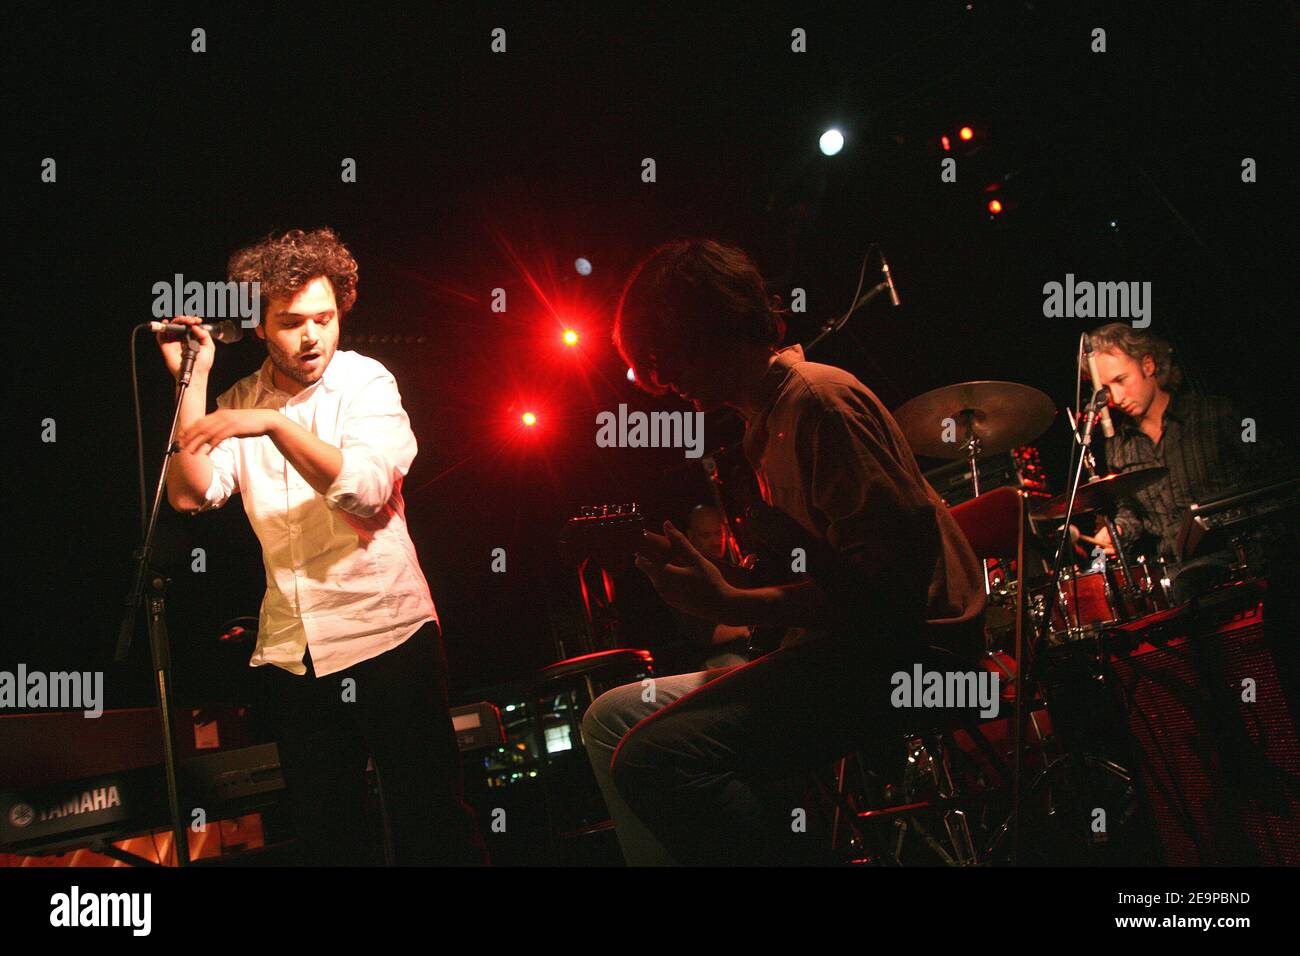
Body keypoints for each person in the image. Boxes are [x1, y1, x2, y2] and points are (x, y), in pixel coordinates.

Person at [581, 239, 985, 865]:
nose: (662, 386)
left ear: (706, 328)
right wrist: (723, 587)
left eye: (662, 360)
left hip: (916, 660)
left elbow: (887, 596)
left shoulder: (819, 404)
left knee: (656, 756)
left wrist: (732, 600)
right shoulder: (763, 426)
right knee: (610, 717)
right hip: (848, 653)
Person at [158, 227, 485, 865]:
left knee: (431, 822)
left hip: (386, 631)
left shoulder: (367, 383)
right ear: (258, 327)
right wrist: (190, 383)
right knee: (332, 838)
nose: (312, 336)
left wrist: (276, 425)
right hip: (293, 649)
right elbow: (190, 496)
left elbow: (364, 490)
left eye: (324, 318)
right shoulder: (239, 401)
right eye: (291, 322)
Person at [1083, 322, 1278, 602]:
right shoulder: (1118, 447)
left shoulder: (1215, 414)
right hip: (1175, 574)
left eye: (1121, 380)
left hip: (1244, 558)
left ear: (1147, 365)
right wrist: (1118, 531)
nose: (1115, 397)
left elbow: (1274, 473)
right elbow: (1131, 512)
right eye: (1104, 390)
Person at [666, 504, 753, 670]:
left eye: (718, 534)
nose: (715, 542)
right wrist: (746, 628)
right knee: (741, 669)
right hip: (716, 658)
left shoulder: (732, 568)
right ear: (691, 536)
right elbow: (704, 634)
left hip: (746, 650)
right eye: (706, 536)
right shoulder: (685, 576)